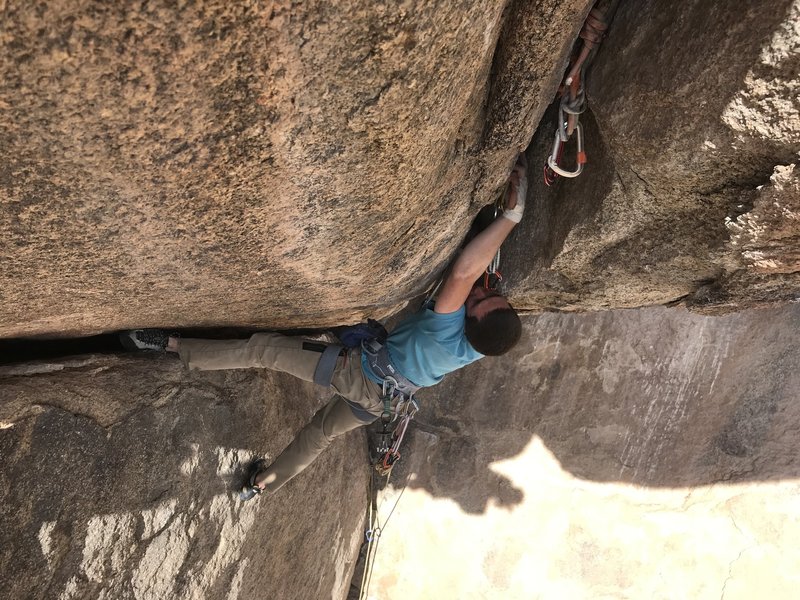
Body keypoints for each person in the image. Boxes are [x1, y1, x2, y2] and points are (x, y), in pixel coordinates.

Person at [121, 153, 528, 500]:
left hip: (356, 375)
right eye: (491, 294)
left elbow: (462, 273)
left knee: (263, 349)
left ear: (468, 320)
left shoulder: (447, 329)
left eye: (479, 300)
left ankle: (168, 344)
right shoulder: (481, 344)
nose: (480, 291)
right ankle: (262, 484)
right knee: (319, 433)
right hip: (384, 403)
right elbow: (477, 282)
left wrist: (511, 217)